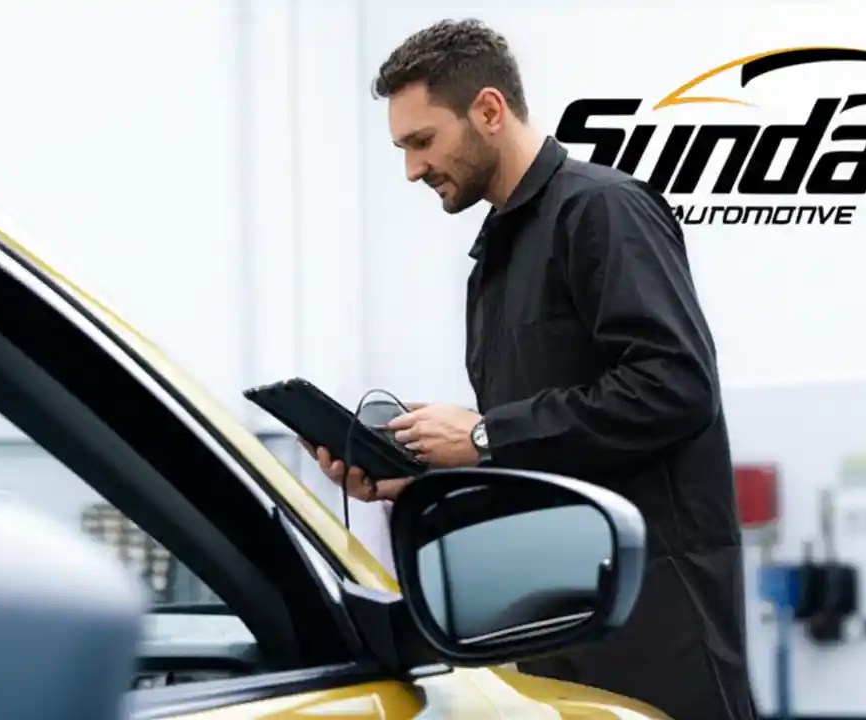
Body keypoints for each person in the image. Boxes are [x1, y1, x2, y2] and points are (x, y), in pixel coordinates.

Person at [307, 18, 759, 720]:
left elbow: (676, 386)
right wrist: (422, 469)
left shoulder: (603, 210)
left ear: (489, 110)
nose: (412, 170)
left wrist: (485, 434)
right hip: (558, 622)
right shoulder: (495, 259)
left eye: (422, 142)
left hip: (654, 630)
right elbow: (549, 440)